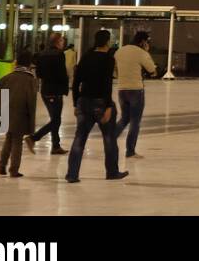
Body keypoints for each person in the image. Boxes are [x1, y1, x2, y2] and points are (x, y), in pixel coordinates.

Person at [66, 29, 127, 183]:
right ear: (107, 42)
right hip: (101, 102)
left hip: (84, 101)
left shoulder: (86, 57)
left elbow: (76, 81)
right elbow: (107, 84)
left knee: (80, 138)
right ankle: (112, 172)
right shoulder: (108, 59)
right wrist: (108, 106)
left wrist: (75, 103)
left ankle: (72, 174)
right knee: (109, 138)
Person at [114, 30, 158, 160]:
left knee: (124, 118)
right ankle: (130, 151)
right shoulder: (141, 53)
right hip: (136, 90)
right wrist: (147, 52)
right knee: (135, 121)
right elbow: (152, 70)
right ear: (143, 41)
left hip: (122, 89)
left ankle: (110, 139)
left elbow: (115, 70)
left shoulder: (120, 51)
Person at [0, 49, 38, 178]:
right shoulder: (30, 80)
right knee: (17, 141)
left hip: (6, 113)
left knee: (9, 138)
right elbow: (31, 102)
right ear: (29, 64)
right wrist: (31, 122)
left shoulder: (6, 78)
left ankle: (2, 165)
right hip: (21, 115)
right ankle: (14, 169)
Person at [30, 32, 69, 155]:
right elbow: (62, 73)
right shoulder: (59, 54)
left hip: (45, 90)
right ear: (58, 42)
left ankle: (55, 146)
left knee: (54, 119)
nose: (63, 43)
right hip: (55, 90)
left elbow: (39, 74)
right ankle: (33, 138)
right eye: (62, 41)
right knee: (56, 120)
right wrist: (65, 87)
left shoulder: (41, 54)